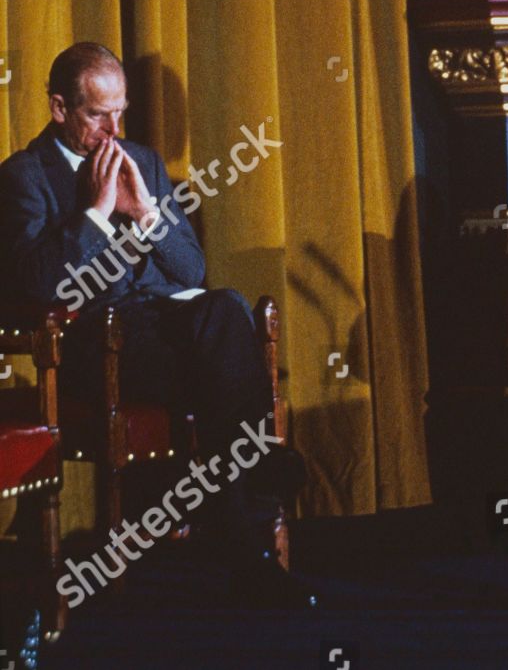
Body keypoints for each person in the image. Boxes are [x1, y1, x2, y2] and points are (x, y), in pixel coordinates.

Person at [0, 42, 314, 609]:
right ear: (59, 109)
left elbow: (191, 268)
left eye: (121, 113)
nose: (113, 130)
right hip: (95, 346)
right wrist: (96, 215)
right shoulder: (24, 175)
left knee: (225, 305)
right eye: (98, 115)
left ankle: (246, 550)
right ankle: (258, 478)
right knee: (224, 361)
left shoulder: (142, 163)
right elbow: (34, 287)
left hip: (170, 333)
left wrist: (146, 213)